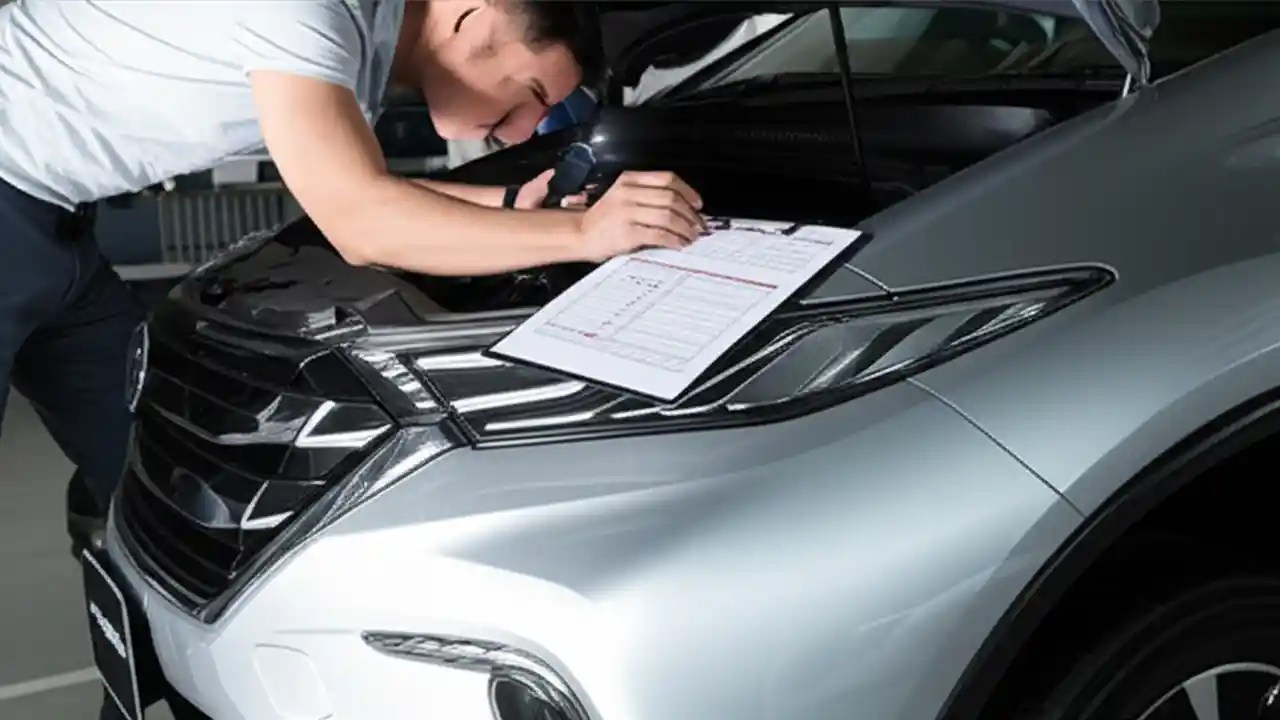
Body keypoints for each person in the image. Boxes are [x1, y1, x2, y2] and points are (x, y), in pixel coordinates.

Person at [0, 1, 705, 718]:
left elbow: (352, 180)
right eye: (531, 99)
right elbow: (359, 218)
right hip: (9, 191)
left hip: (51, 222)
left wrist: (511, 208)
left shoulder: (353, 38)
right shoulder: (307, 13)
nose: (528, 131)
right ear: (474, 19)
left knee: (152, 470)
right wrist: (585, 233)